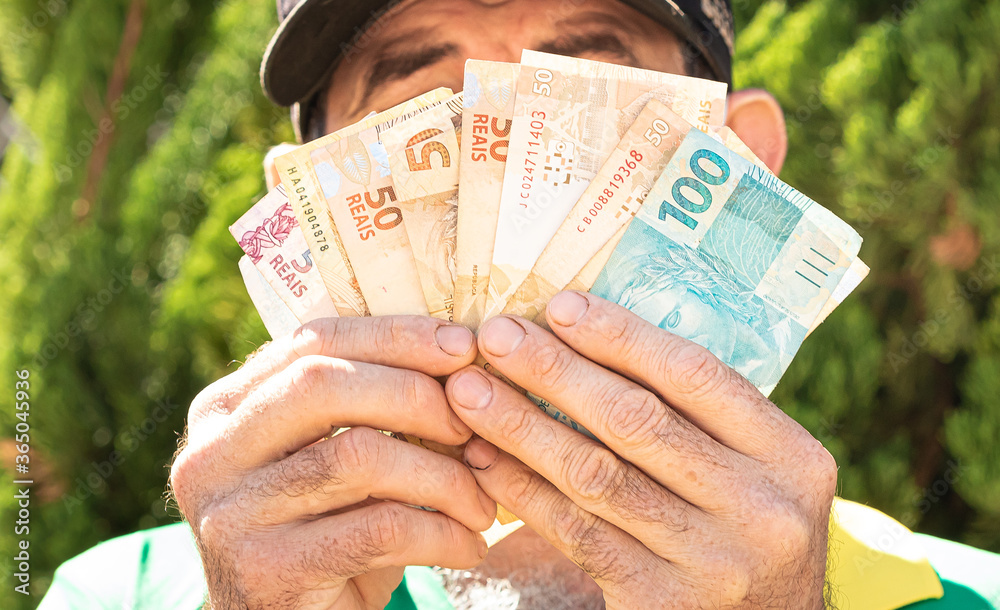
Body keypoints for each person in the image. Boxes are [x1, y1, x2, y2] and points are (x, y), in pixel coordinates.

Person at [40, 1, 1000, 608]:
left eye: (582, 89)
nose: (505, 184)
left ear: (738, 170)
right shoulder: (121, 596)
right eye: (435, 110)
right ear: (311, 218)